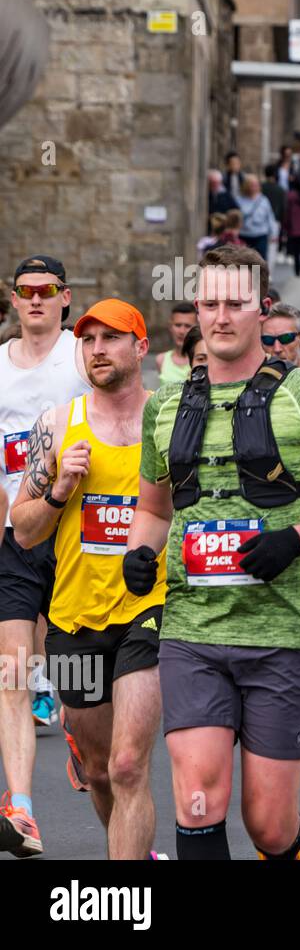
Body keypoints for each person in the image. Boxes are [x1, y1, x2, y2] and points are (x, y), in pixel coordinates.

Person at [123, 244, 300, 860]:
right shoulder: (164, 405)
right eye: (209, 303)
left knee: (268, 825)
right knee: (198, 801)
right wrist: (141, 552)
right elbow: (155, 510)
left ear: (261, 310)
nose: (220, 317)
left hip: (283, 634)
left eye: (235, 304)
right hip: (191, 631)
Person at [10, 299, 166, 859]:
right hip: (74, 617)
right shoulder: (57, 427)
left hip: (149, 608)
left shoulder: (167, 420)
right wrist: (56, 489)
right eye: (89, 340)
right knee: (100, 772)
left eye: (112, 338)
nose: (98, 349)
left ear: (140, 348)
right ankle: (132, 849)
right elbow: (23, 532)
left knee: (128, 765)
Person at [0, 255, 92, 856]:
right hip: (20, 535)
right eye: (26, 291)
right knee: (10, 668)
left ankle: (83, 732)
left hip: (79, 536)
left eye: (47, 290)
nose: (36, 299)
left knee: (78, 679)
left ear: (64, 298)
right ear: (13, 299)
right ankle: (21, 808)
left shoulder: (83, 356)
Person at [155, 302, 198, 386]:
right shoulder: (161, 360)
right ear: (170, 327)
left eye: (187, 326)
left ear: (196, 328)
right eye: (178, 325)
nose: (182, 331)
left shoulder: (203, 359)